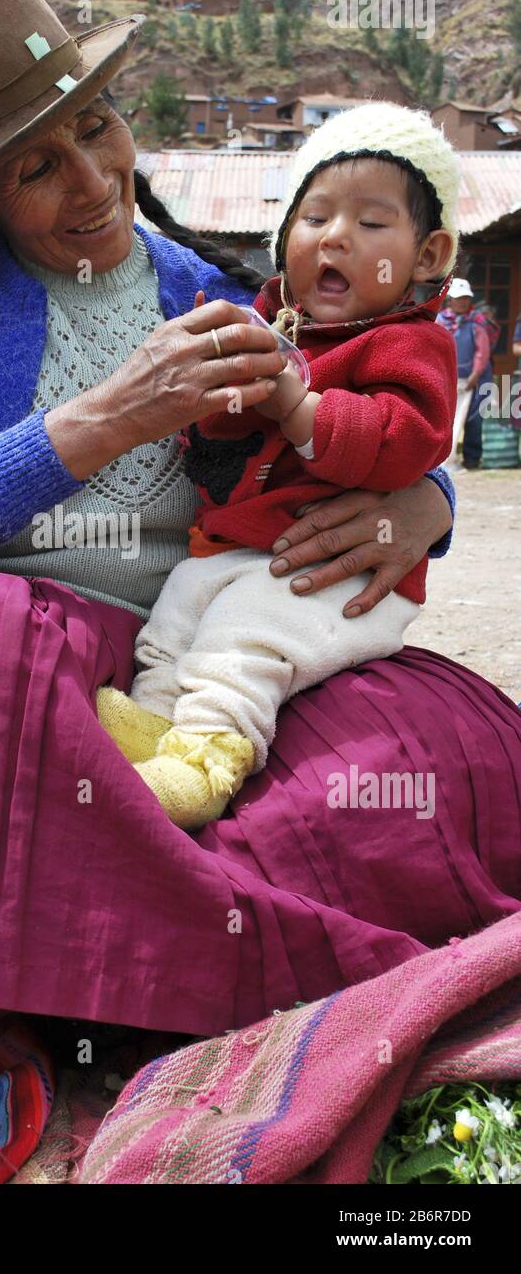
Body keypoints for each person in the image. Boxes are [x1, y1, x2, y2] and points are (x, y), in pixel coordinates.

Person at [0, 0, 521, 1051]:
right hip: (13, 676)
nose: (94, 179)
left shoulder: (222, 293)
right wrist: (100, 419)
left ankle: (85, 946)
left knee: (434, 743)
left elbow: (370, 409)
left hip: (205, 660)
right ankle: (162, 951)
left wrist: (426, 508)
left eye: (97, 127)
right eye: (36, 168)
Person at [98, 104, 458, 826]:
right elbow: (217, 446)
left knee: (243, 640)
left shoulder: (409, 346)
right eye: (315, 217)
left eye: (373, 224)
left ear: (427, 256)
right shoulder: (269, 320)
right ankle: (154, 721)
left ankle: (207, 758)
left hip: (338, 575)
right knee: (176, 618)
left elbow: (403, 442)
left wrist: (297, 402)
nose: (336, 237)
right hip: (238, 550)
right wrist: (223, 389)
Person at [437, 277, 493, 468]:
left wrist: (475, 375)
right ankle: (443, 458)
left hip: (475, 378)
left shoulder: (477, 322)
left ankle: (472, 458)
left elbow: (482, 351)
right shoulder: (440, 321)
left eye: (466, 298)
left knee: (474, 418)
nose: (463, 302)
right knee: (446, 418)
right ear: (449, 299)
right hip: (447, 377)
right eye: (459, 298)